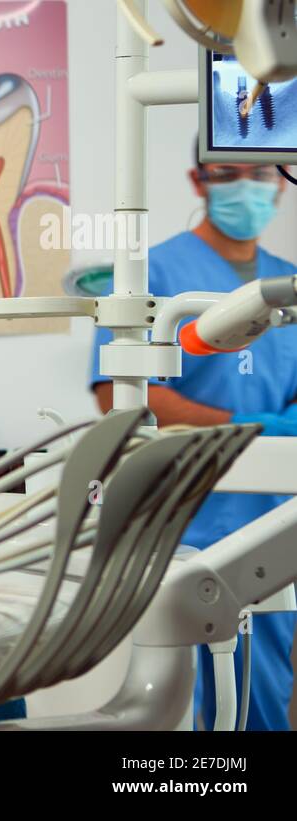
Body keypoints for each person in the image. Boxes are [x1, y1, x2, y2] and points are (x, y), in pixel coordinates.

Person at [90, 148, 297, 730]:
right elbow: (121, 393)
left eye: (262, 172)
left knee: (264, 688)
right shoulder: (150, 277)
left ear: (281, 182)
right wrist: (243, 429)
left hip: (275, 518)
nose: (248, 186)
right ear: (197, 179)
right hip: (190, 516)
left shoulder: (283, 282)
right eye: (228, 172)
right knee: (189, 691)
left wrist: (278, 430)